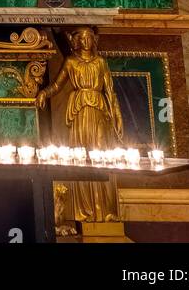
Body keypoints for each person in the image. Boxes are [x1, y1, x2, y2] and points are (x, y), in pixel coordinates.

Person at [36, 27, 124, 223]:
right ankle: (85, 209)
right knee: (81, 152)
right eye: (81, 38)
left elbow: (110, 90)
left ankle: (104, 208)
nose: (85, 42)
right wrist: (44, 92)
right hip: (79, 109)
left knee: (100, 151)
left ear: (94, 40)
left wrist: (117, 114)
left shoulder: (100, 62)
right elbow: (58, 85)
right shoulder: (71, 62)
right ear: (75, 41)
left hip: (98, 110)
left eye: (88, 38)